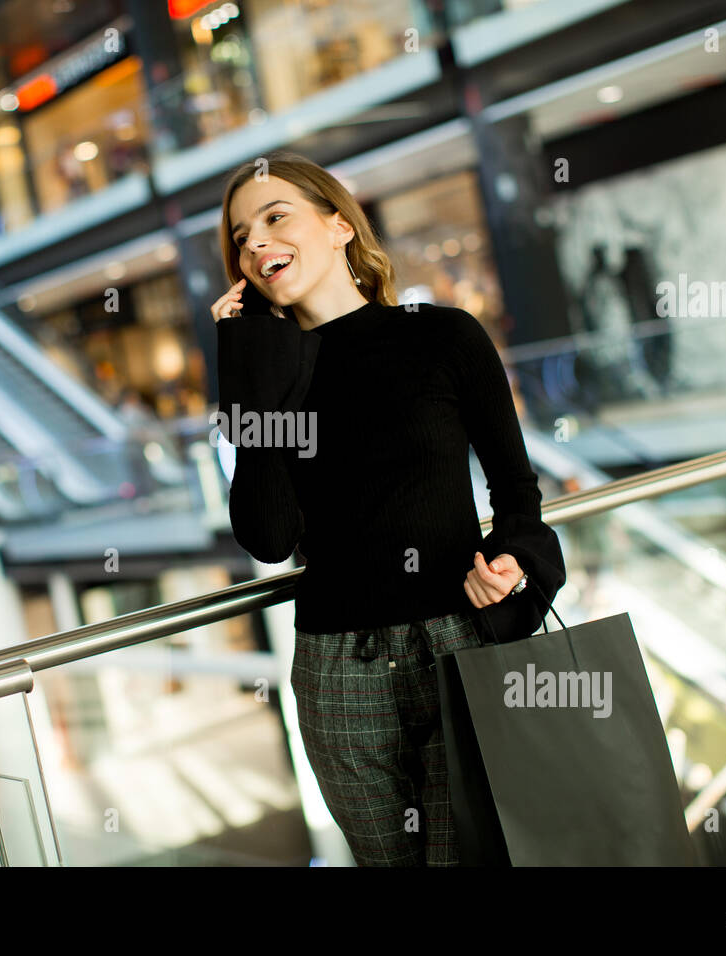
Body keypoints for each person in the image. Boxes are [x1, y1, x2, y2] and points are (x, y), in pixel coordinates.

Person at [210, 151, 565, 866]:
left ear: (339, 225)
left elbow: (517, 494)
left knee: (479, 854)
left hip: (458, 641)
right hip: (336, 667)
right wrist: (248, 371)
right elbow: (268, 536)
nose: (255, 243)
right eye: (241, 237)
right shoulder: (271, 372)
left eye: (276, 217)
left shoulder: (442, 337)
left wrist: (511, 560)